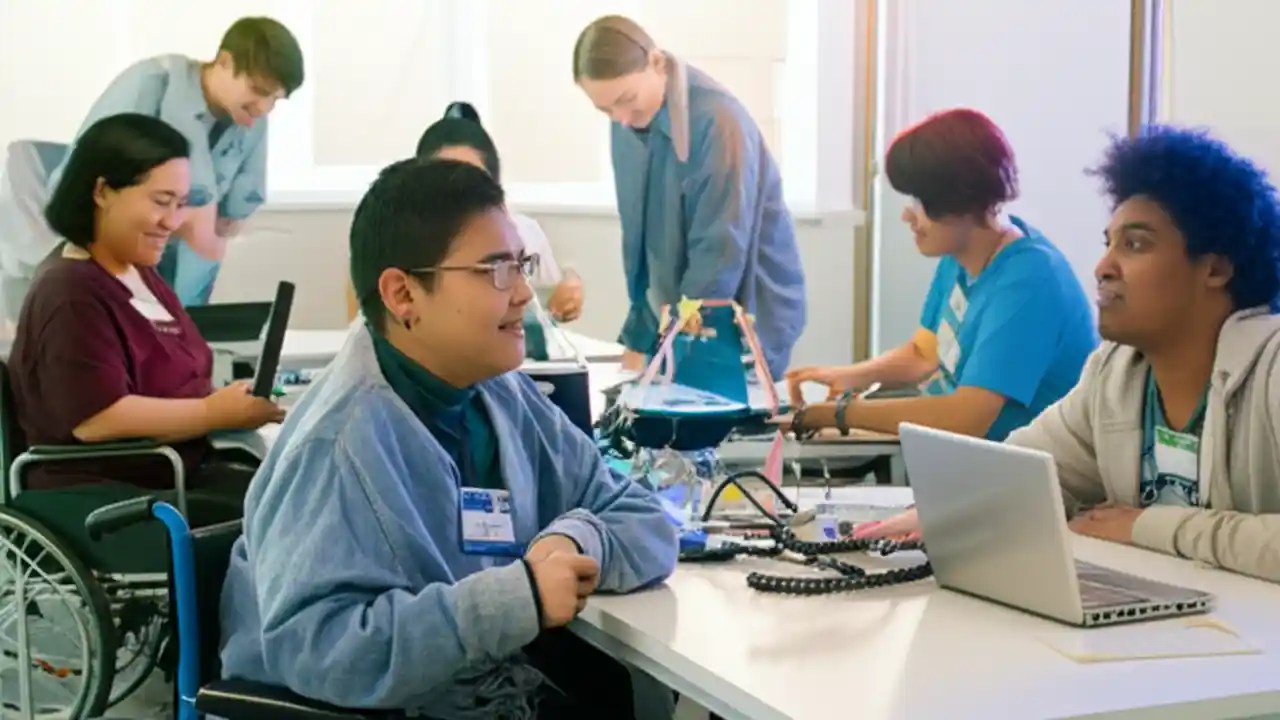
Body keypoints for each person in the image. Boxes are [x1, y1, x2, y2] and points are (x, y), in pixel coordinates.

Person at [219, 159, 678, 717]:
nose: (525, 294)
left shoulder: (501, 395)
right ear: (403, 294)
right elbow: (319, 650)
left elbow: (645, 520)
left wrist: (575, 540)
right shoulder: (338, 443)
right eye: (495, 271)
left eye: (522, 265)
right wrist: (514, 600)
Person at [857, 127, 1280, 583]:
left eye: (1135, 245)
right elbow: (1023, 473)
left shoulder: (1271, 370)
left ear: (1215, 268)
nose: (1103, 267)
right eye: (1108, 244)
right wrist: (941, 514)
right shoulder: (1115, 374)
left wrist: (1148, 525)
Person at [6, 113, 283, 511]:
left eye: (181, 205)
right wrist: (211, 412)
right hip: (111, 498)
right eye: (160, 202)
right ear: (102, 191)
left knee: (301, 487)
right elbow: (96, 419)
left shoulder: (140, 274)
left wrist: (228, 403)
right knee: (288, 512)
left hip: (179, 473)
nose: (172, 222)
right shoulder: (69, 292)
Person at [785, 109, 1097, 441]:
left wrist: (842, 414)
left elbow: (966, 417)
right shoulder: (961, 256)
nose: (908, 214)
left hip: (1007, 466)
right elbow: (924, 354)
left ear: (962, 197)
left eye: (921, 201)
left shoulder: (1029, 282)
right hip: (952, 449)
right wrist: (846, 378)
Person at [573, 15, 806, 379]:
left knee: (710, 421)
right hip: (674, 318)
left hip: (736, 313)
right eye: (605, 109)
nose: (619, 118)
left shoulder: (718, 120)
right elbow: (639, 245)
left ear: (657, 63)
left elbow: (718, 255)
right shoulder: (628, 120)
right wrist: (639, 336)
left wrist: (680, 351)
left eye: (626, 100)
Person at [46, 16, 304, 307]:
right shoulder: (151, 85)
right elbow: (80, 188)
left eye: (276, 99)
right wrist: (192, 218)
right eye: (258, 90)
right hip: (106, 274)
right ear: (224, 62)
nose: (264, 107)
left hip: (176, 288)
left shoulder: (250, 120)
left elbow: (230, 216)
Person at [344, 102, 586, 325]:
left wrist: (569, 289)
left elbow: (553, 305)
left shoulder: (524, 234)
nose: (460, 200)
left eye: (474, 186)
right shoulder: (390, 244)